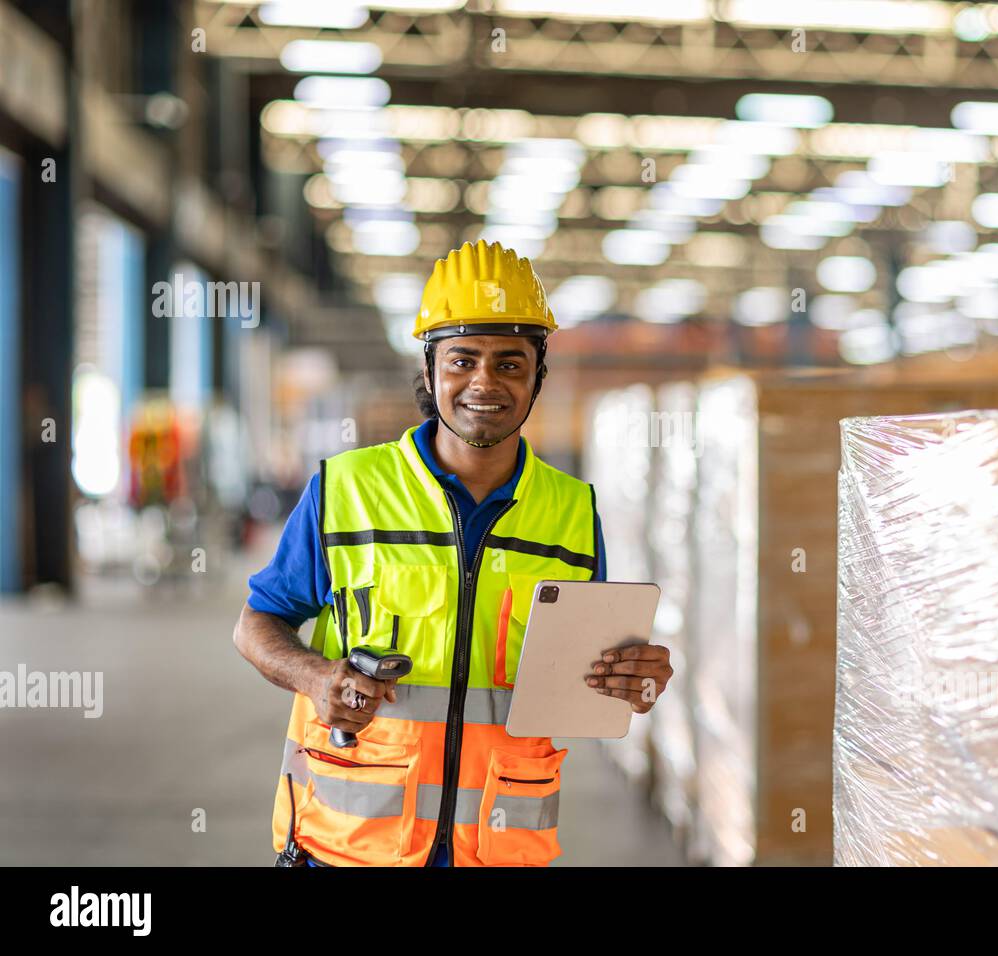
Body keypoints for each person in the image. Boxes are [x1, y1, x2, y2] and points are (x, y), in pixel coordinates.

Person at [232, 240, 674, 867]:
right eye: (463, 359)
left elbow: (576, 679)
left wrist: (631, 680)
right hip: (351, 847)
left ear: (538, 375)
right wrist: (315, 677)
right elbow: (256, 622)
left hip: (498, 845)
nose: (484, 382)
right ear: (431, 368)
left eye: (510, 363)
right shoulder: (346, 490)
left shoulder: (573, 515)